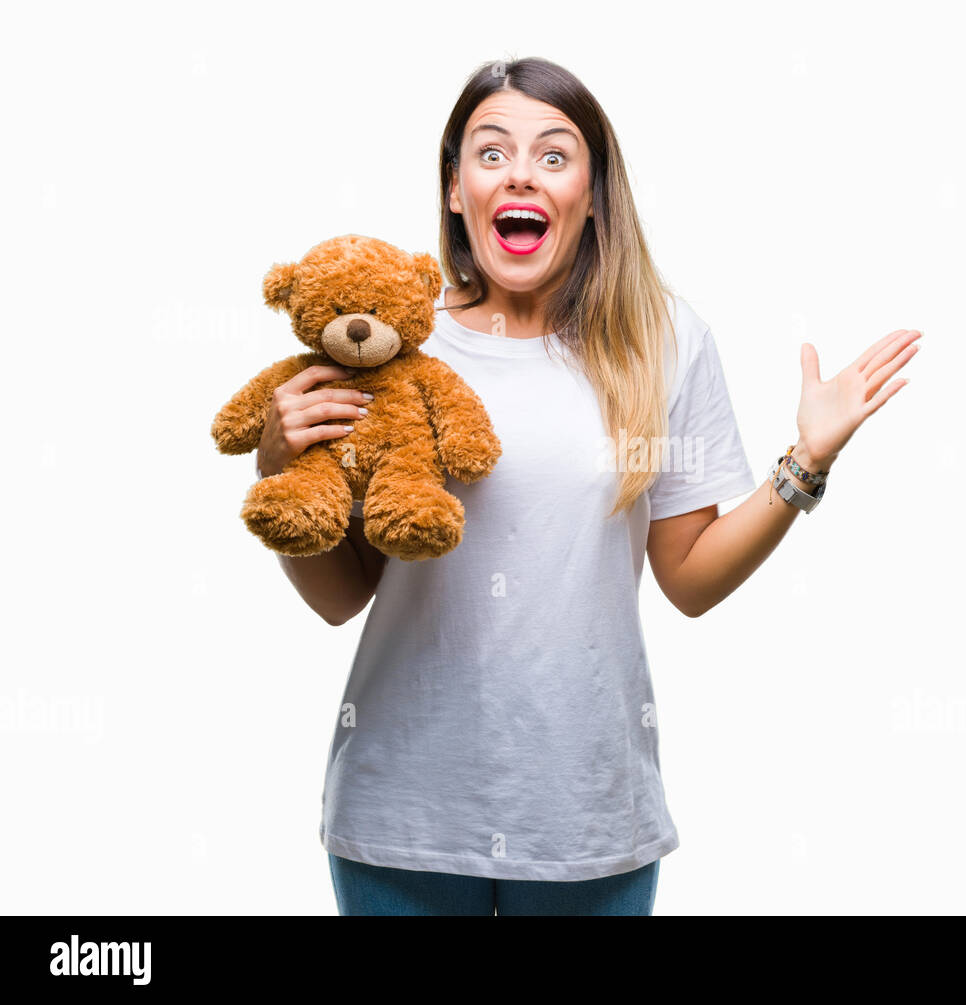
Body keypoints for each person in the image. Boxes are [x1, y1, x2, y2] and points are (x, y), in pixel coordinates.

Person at [251, 57, 922, 916]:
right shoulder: (392, 346)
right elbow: (341, 597)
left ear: (595, 195)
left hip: (588, 815)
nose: (520, 172)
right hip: (403, 813)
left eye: (554, 155)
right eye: (490, 153)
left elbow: (689, 578)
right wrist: (279, 470)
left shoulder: (664, 340)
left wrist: (805, 464)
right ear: (456, 189)